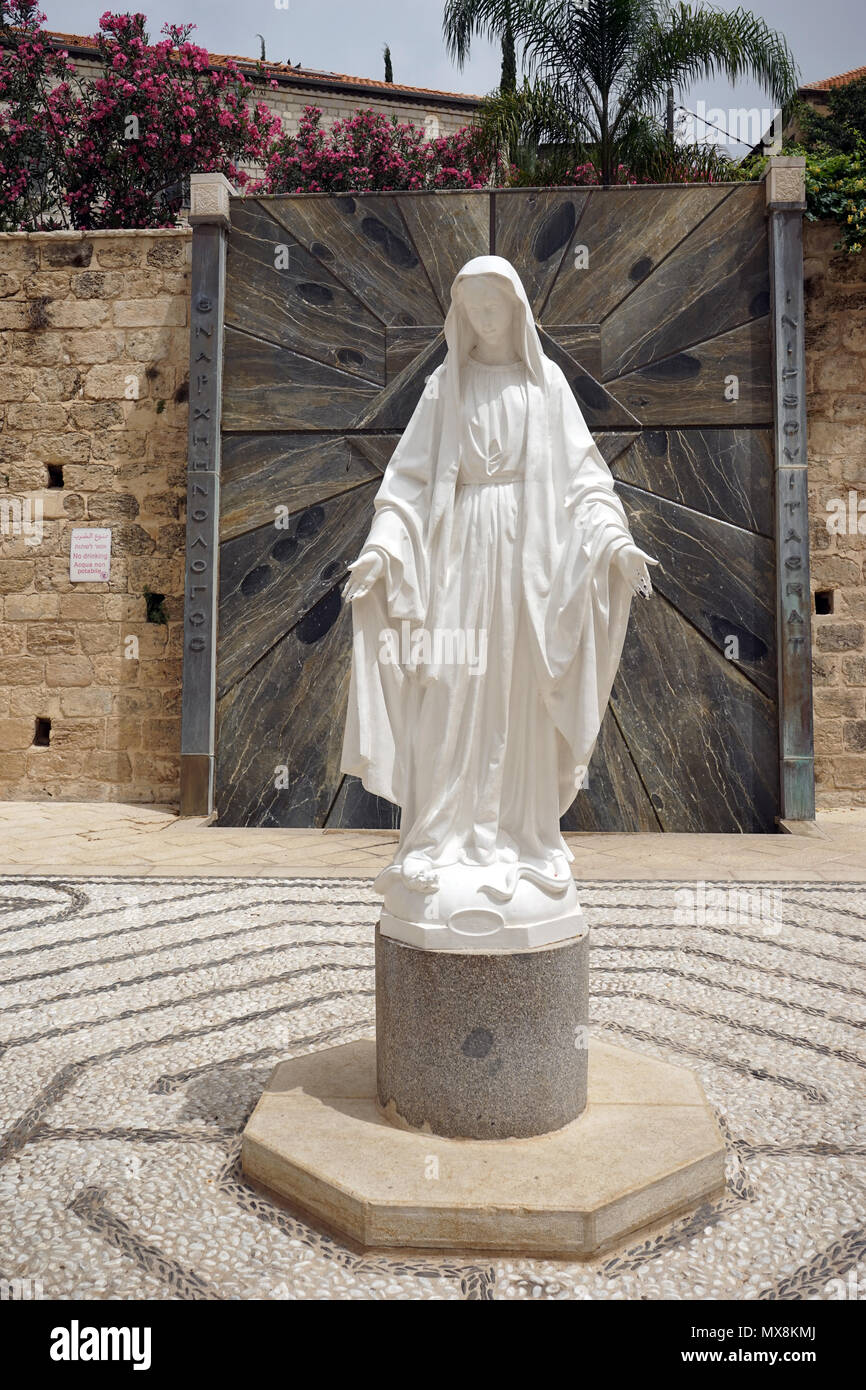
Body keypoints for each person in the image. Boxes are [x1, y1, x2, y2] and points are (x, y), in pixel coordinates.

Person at [341, 254, 656, 912]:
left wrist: (616, 545)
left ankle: (522, 833)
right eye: (474, 308)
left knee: (520, 693)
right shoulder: (443, 391)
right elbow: (405, 487)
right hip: (457, 555)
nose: (485, 319)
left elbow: (587, 483)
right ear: (460, 315)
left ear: (517, 311)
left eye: (496, 307)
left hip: (531, 560)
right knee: (447, 687)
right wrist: (381, 551)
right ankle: (434, 838)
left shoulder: (548, 391)